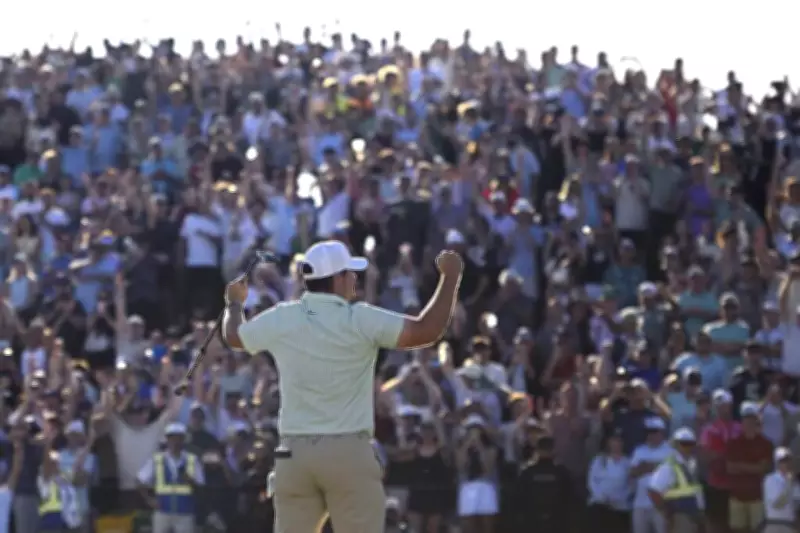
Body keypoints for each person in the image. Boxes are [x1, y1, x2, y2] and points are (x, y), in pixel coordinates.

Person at [221, 240, 463, 533]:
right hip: (348, 453)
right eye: (350, 273)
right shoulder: (359, 317)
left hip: (295, 455)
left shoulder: (283, 316)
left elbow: (234, 337)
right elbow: (427, 330)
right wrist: (450, 278)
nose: (355, 279)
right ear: (337, 279)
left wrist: (234, 304)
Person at [137, 422, 205, 533]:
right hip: (162, 512)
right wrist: (149, 499)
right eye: (172, 438)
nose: (176, 442)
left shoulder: (192, 460)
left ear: (183, 440)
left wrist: (191, 481)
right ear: (167, 440)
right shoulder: (157, 459)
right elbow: (140, 480)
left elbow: (201, 488)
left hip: (185, 513)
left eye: (179, 438)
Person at [648, 428, 706, 533]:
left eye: (690, 443)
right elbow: (653, 491)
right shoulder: (669, 465)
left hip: (694, 515)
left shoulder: (693, 464)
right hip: (679, 516)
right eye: (683, 444)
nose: (687, 447)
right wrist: (666, 513)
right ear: (676, 445)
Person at [761, 447, 799, 533]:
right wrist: (789, 485)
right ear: (777, 463)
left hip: (790, 524)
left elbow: (797, 502)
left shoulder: (794, 481)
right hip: (774, 525)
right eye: (783, 461)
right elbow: (777, 505)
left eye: (788, 460)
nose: (786, 464)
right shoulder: (770, 480)